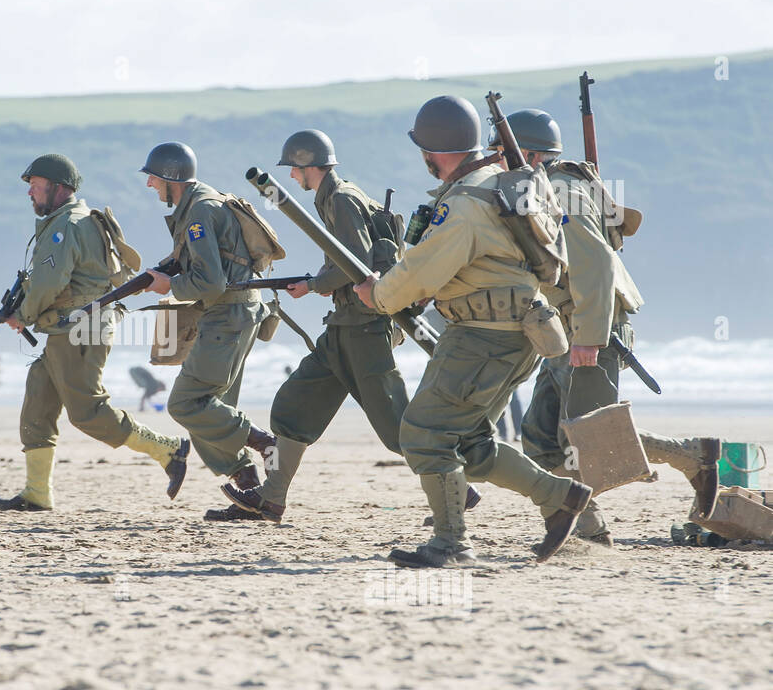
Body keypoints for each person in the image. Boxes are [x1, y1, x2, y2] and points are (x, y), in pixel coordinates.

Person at [354, 96, 592, 566]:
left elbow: (418, 272)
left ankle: (450, 544)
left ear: (433, 150)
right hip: (524, 331)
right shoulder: (514, 185)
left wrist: (379, 294)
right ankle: (559, 498)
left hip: (480, 337)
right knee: (470, 444)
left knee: (423, 435)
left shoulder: (464, 203)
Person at [495, 109, 721, 543]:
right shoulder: (547, 185)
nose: (497, 159)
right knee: (543, 437)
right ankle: (588, 526)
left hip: (588, 328)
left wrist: (590, 339)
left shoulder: (558, 189)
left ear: (529, 153)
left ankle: (692, 457)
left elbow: (595, 261)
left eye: (502, 150)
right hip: (567, 325)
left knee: (590, 438)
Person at [218, 130, 414, 523]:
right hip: (343, 327)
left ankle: (458, 488)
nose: (291, 177)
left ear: (309, 167)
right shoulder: (336, 199)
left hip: (364, 329)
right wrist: (318, 283)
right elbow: (346, 265)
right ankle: (271, 499)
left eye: (294, 169)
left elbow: (355, 261)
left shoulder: (341, 199)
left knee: (398, 430)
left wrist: (312, 286)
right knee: (294, 407)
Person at [0, 154, 189, 511]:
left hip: (79, 327)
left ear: (58, 188)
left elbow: (51, 281)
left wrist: (22, 315)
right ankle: (37, 493)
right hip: (72, 326)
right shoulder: (76, 220)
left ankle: (168, 450)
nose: (30, 194)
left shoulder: (66, 225)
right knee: (38, 404)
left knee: (87, 412)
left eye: (36, 187)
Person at [135, 141, 273, 520]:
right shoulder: (202, 203)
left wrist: (169, 287)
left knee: (187, 404)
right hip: (236, 315)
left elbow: (210, 282)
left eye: (152, 177)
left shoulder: (197, 213)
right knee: (212, 411)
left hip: (226, 317)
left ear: (170, 178)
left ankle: (265, 443)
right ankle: (251, 492)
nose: (149, 185)